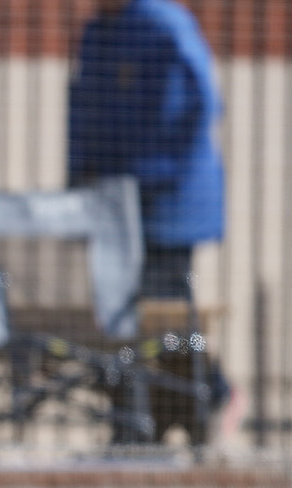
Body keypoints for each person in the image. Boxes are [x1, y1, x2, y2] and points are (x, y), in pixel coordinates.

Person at [67, 0, 224, 303]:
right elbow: (86, 111)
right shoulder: (99, 30)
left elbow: (200, 103)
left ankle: (191, 349)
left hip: (165, 204)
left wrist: (154, 174)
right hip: (114, 200)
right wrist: (83, 173)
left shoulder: (162, 24)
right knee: (118, 310)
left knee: (163, 309)